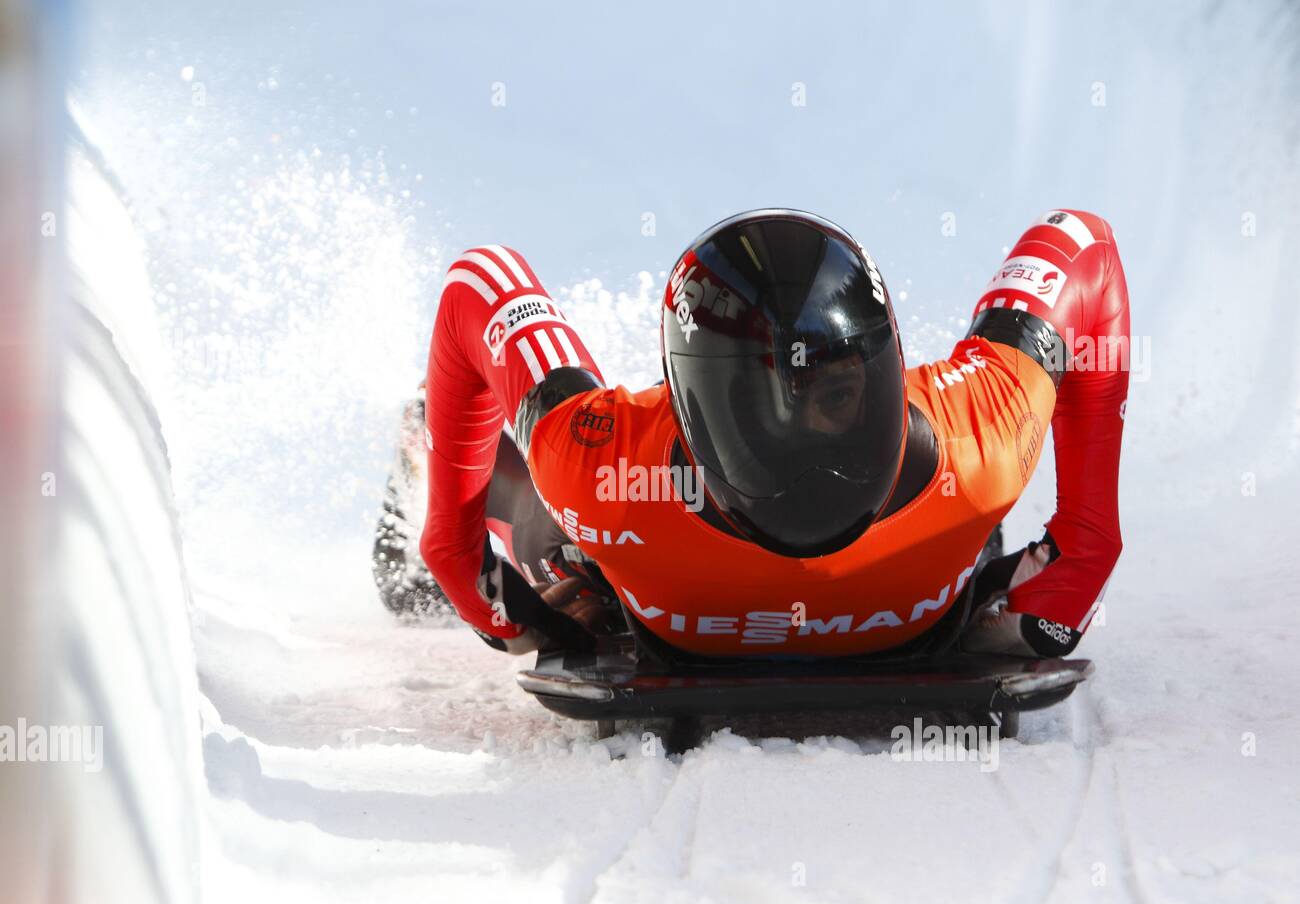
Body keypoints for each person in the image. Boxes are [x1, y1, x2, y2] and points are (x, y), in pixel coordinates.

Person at [398, 209, 1129, 660]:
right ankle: (412, 451)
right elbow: (1082, 244)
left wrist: (469, 571)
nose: (808, 458)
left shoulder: (604, 474)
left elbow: (480, 278)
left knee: (556, 514)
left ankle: (432, 458)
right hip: (919, 566)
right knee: (540, 510)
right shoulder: (981, 447)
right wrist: (1082, 554)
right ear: (700, 411)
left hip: (644, 552)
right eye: (764, 413)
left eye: (836, 396)